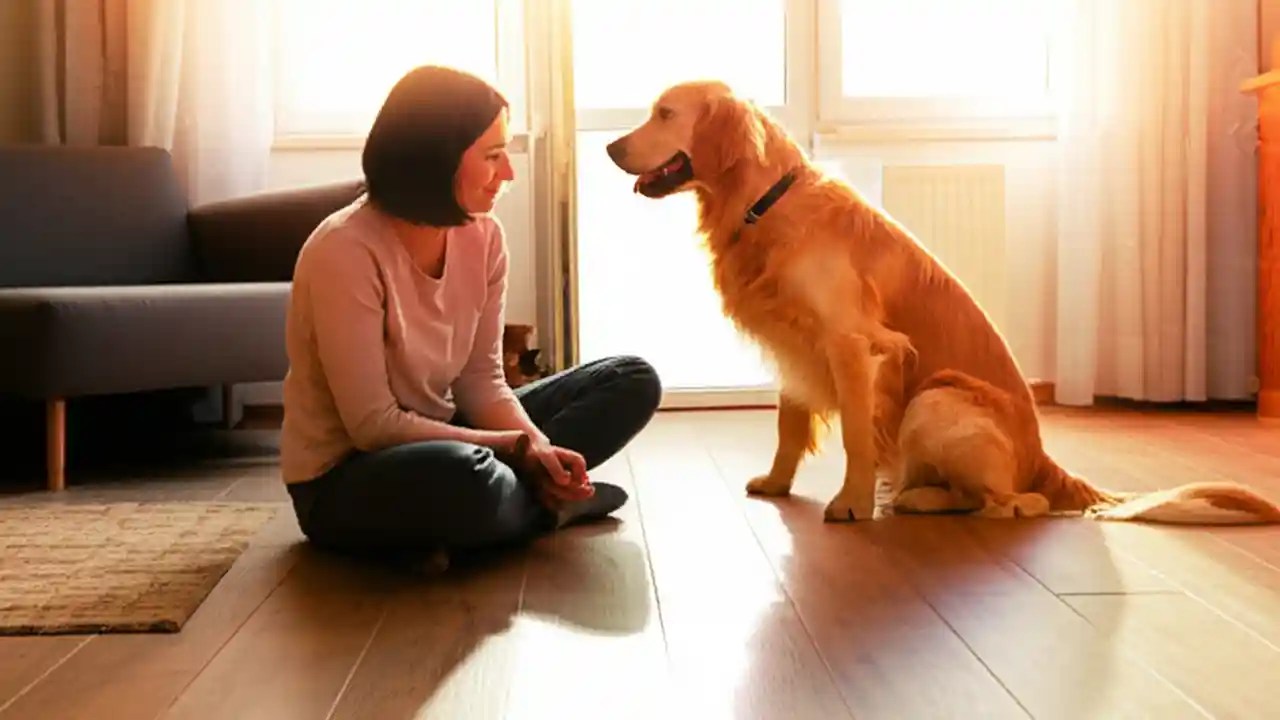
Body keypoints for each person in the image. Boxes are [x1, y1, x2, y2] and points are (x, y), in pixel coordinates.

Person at [279, 65, 662, 571]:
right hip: (346, 477)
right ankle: (538, 511)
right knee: (465, 477)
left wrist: (540, 452)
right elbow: (373, 426)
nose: (509, 173)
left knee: (632, 379)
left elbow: (481, 382)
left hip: (443, 430)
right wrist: (513, 448)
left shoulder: (483, 237)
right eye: (493, 156)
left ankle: (501, 513)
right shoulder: (343, 251)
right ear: (435, 160)